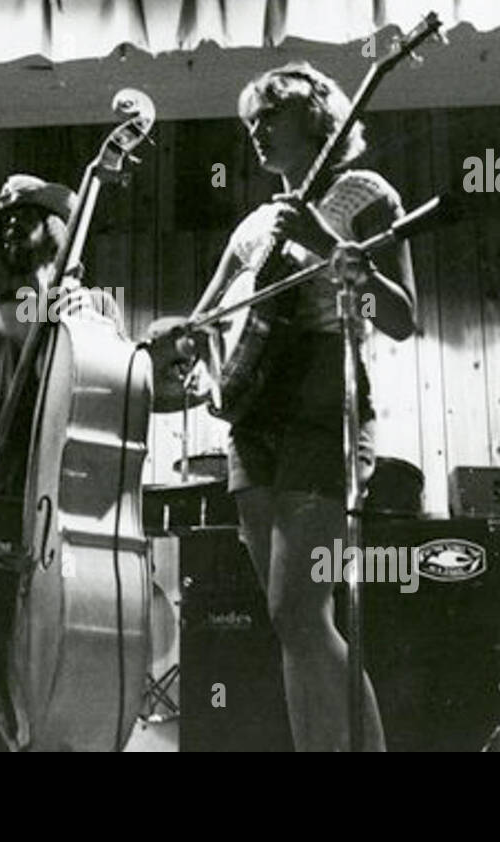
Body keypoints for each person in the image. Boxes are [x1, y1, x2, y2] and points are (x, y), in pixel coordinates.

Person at [189, 62, 416, 751]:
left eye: (271, 114)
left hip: (326, 397)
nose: (256, 130)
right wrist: (201, 366)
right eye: (251, 120)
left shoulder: (364, 192)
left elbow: (403, 317)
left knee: (302, 608)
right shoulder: (256, 224)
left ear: (317, 114)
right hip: (254, 412)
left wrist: (331, 247)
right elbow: (200, 320)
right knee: (287, 620)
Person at [0, 174, 124, 751]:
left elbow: (113, 383)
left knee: (69, 638)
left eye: (24, 220)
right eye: (3, 228)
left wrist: (85, 317)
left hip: (72, 497)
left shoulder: (95, 304)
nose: (10, 231)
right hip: (0, 491)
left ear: (60, 228)